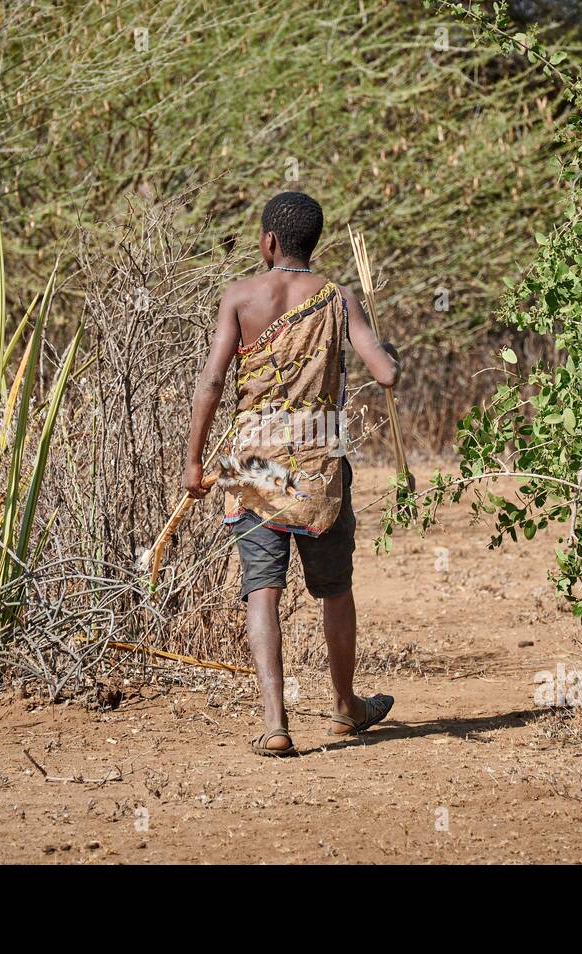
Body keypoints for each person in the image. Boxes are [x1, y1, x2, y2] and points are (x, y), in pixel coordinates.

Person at [183, 191, 400, 757]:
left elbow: (210, 383)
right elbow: (385, 373)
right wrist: (389, 356)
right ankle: (347, 706)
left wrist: (193, 460)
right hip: (319, 467)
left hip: (252, 463)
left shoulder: (240, 297)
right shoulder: (338, 299)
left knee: (262, 589)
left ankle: (275, 723)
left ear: (269, 242)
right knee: (334, 589)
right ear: (313, 242)